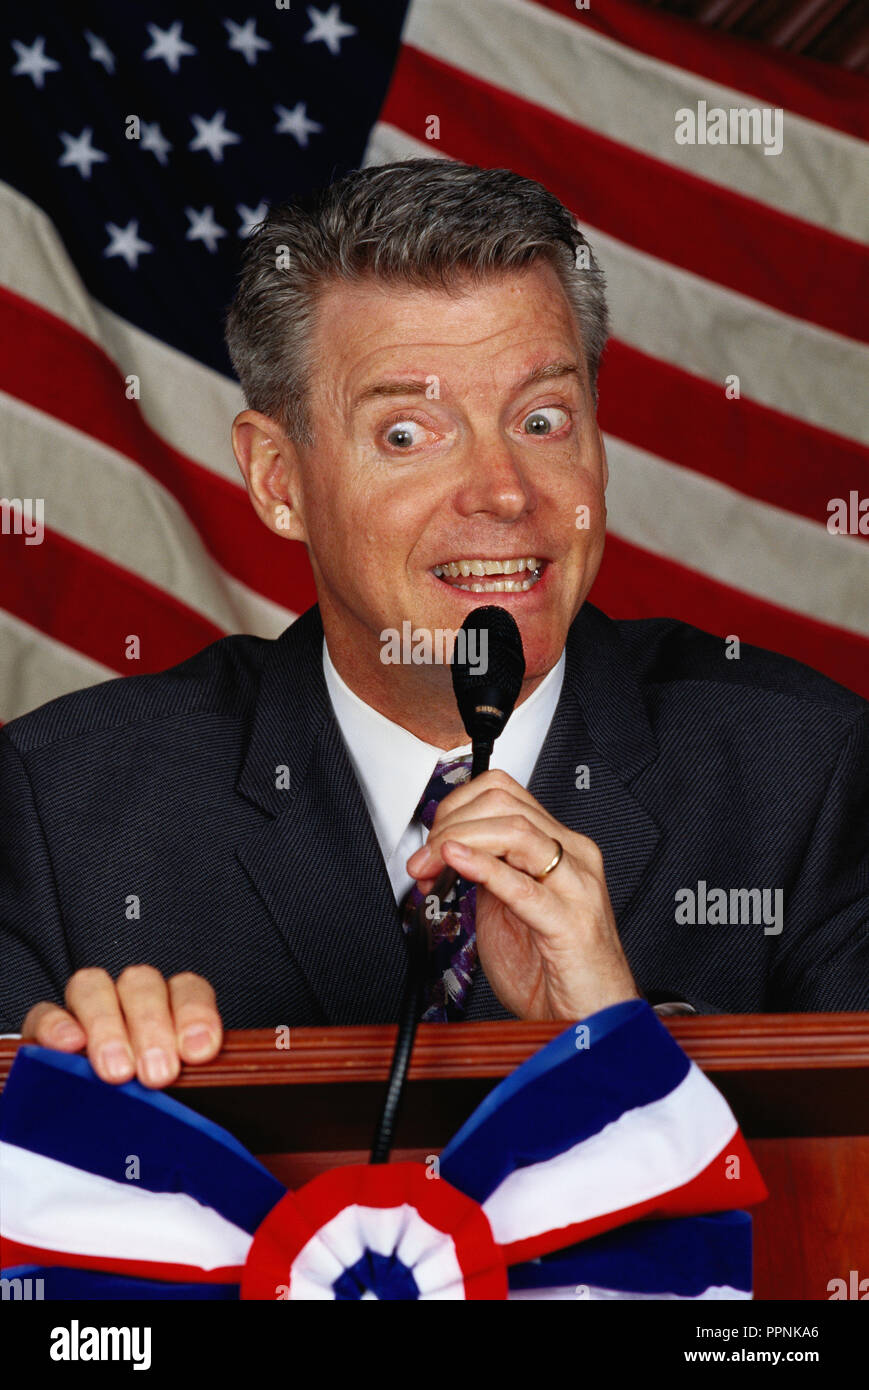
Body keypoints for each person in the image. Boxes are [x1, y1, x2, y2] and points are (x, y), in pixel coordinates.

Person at [2, 159, 866, 1093]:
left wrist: (618, 1042)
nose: (503, 492)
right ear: (277, 480)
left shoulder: (807, 776)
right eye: (408, 434)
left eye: (542, 419)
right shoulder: (59, 808)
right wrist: (70, 1133)